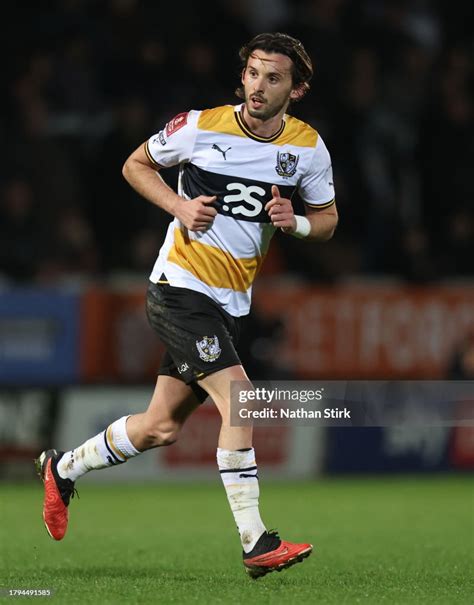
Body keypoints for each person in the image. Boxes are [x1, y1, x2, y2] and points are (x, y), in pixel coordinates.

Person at [36, 32, 338, 579]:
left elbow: (329, 220)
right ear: (241, 75)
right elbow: (135, 165)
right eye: (252, 73)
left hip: (230, 304)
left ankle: (63, 468)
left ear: (297, 90)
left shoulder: (307, 148)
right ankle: (256, 541)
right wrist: (178, 204)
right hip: (179, 289)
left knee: (159, 427)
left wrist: (294, 223)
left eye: (274, 78)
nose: (258, 86)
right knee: (241, 399)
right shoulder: (199, 126)